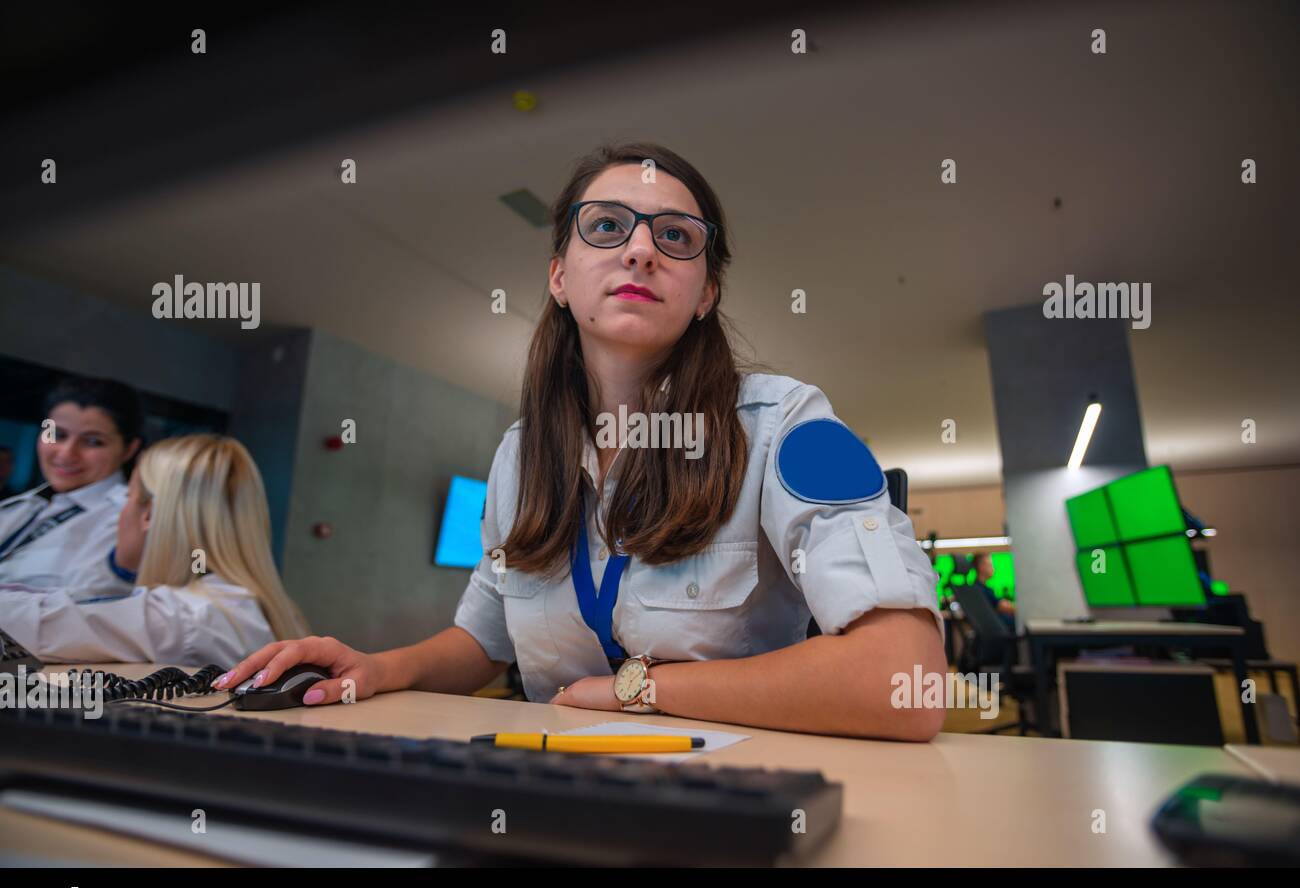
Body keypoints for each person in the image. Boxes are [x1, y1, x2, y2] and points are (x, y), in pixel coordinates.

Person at [215, 141, 946, 741]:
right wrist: (381, 668)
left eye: (676, 236)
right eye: (606, 226)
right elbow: (485, 637)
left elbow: (902, 681)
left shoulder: (788, 424)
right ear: (560, 275)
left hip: (740, 794)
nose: (639, 250)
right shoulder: (520, 454)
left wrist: (639, 688)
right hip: (552, 784)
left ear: (708, 294)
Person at [0, 434, 308, 666]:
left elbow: (47, 624)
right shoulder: (239, 602)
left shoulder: (193, 617)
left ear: (149, 515)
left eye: (129, 498)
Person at [0, 377, 143, 596]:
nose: (67, 454)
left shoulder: (131, 521)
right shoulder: (19, 506)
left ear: (129, 449)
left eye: (93, 442)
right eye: (57, 435)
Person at [971, 551, 1016, 632]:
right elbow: (1003, 607)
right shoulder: (980, 590)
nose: (993, 568)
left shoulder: (980, 588)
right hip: (1000, 630)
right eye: (990, 565)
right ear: (981, 566)